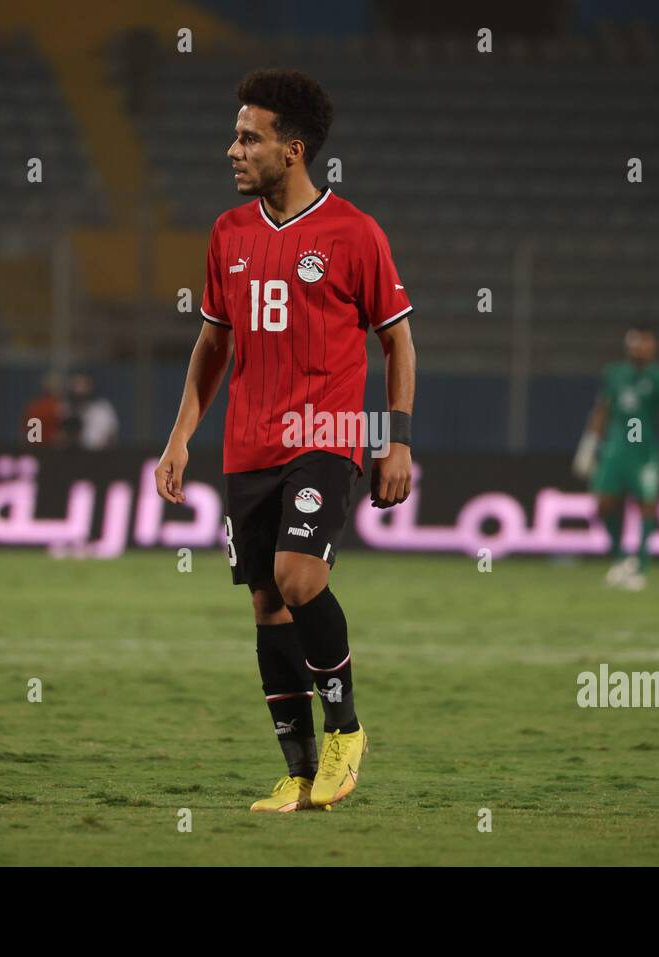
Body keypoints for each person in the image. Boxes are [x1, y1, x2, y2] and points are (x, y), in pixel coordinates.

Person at [154, 68, 417, 812]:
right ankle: (299, 774)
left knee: (300, 576)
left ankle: (347, 732)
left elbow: (399, 342)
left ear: (292, 150)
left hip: (326, 435)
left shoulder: (354, 233)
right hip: (248, 445)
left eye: (248, 138)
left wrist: (394, 440)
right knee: (268, 604)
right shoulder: (228, 234)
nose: (232, 150)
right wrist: (180, 439)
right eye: (235, 136)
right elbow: (212, 343)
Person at [572, 325, 659, 591]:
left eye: (646, 343)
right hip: (616, 448)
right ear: (628, 345)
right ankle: (621, 558)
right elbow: (601, 410)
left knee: (647, 505)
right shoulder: (614, 374)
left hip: (645, 450)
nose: (641, 348)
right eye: (637, 342)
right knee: (603, 504)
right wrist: (588, 446)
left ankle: (642, 566)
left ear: (653, 346)